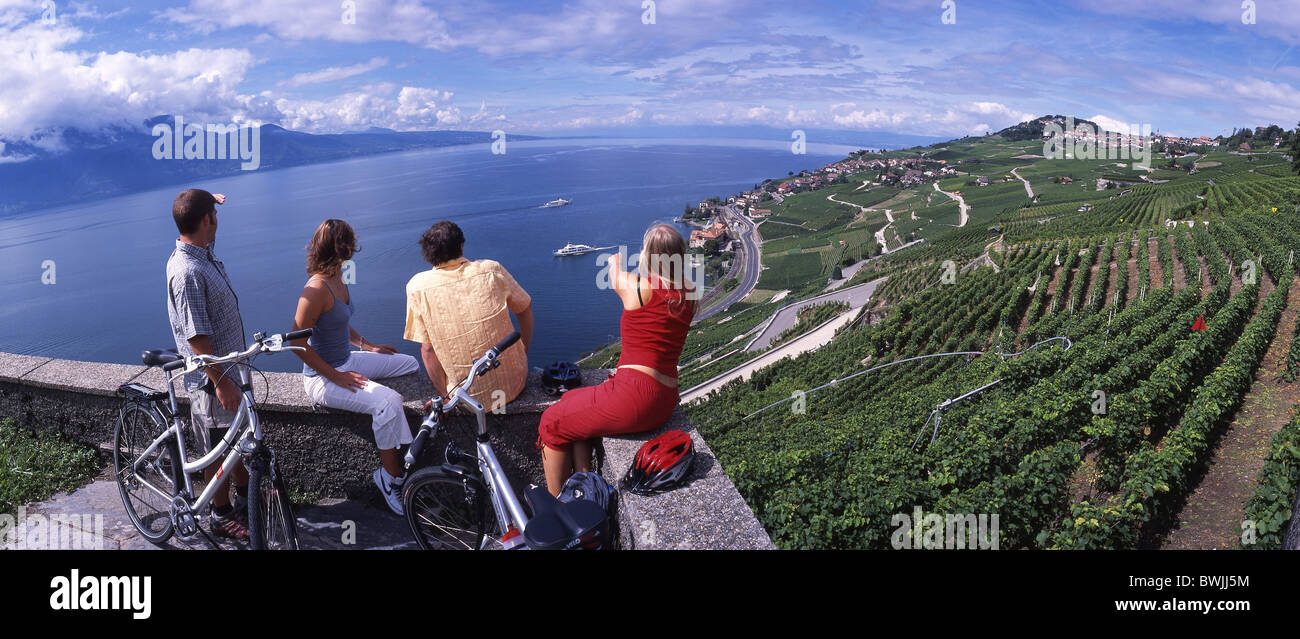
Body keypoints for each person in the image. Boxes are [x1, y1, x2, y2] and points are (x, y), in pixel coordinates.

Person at [536, 224, 696, 496]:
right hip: (665, 399)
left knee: (551, 421)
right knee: (571, 403)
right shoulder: (689, 293)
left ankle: (556, 508)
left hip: (633, 396)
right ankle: (585, 485)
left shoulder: (639, 288)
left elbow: (614, 276)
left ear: (648, 255)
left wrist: (615, 261)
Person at [290, 219, 419, 516]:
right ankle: (390, 478)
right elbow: (297, 344)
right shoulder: (316, 289)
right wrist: (336, 376)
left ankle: (395, 459)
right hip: (321, 378)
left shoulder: (339, 276)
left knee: (408, 364)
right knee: (388, 402)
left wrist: (368, 345)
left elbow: (339, 321)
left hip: (347, 360)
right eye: (351, 242)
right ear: (343, 246)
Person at [164, 188, 251, 540]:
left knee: (233, 440)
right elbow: (197, 339)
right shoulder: (187, 271)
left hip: (229, 371)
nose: (218, 221)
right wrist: (221, 382)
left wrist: (204, 199)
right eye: (214, 215)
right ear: (205, 221)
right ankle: (219, 512)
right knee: (215, 448)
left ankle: (245, 495)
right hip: (212, 381)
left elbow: (194, 218)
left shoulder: (200, 252)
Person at [404, 221, 534, 406]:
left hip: (467, 398)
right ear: (461, 245)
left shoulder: (417, 287)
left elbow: (428, 350)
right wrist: (523, 351)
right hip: (514, 383)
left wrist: (446, 396)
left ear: (427, 254)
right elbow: (525, 308)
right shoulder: (490, 270)